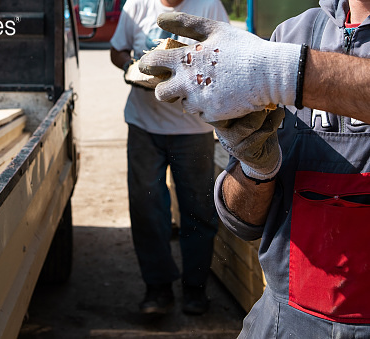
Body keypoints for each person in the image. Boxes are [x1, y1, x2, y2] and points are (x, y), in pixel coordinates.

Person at [139, 0, 370, 336]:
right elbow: (244, 219)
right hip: (287, 318)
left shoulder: (281, 57)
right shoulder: (292, 36)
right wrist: (255, 169)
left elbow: (284, 69)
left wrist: (286, 71)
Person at [109, 0, 229, 315]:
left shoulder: (209, 6)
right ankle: (158, 289)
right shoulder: (136, 5)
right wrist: (131, 67)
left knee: (198, 211)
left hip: (192, 128)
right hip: (143, 125)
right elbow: (117, 49)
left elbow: (226, 54)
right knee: (148, 208)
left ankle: (195, 288)